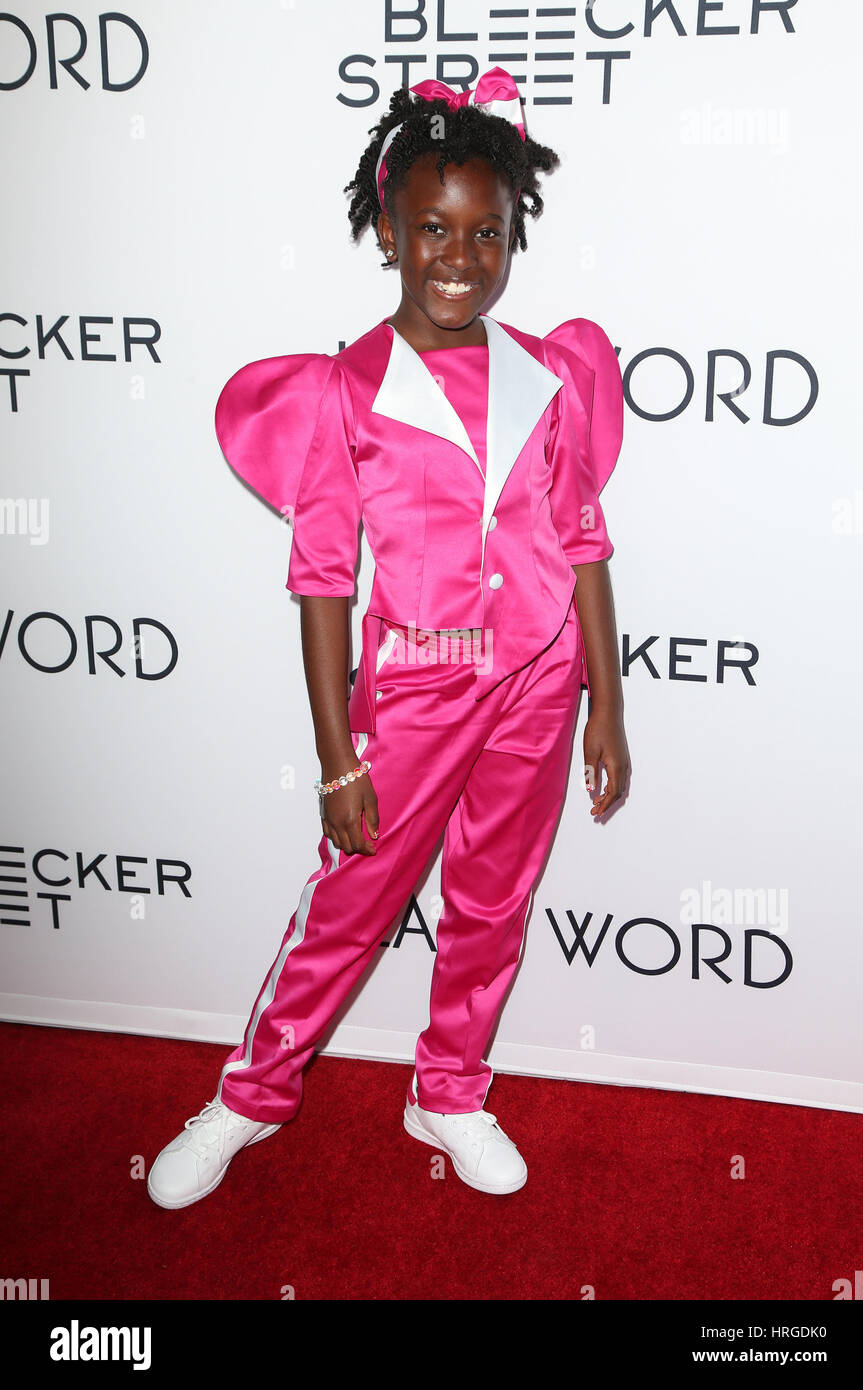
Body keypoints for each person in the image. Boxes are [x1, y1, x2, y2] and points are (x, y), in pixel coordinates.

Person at [147, 68, 630, 1210]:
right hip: (413, 688)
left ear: (514, 237)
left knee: (493, 901)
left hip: (540, 680)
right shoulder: (343, 391)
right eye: (431, 229)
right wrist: (335, 754)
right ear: (385, 228)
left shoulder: (549, 376)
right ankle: (251, 1094)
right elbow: (320, 580)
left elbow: (583, 540)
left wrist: (606, 699)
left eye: (486, 233)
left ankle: (449, 1090)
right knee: (349, 906)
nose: (460, 256)